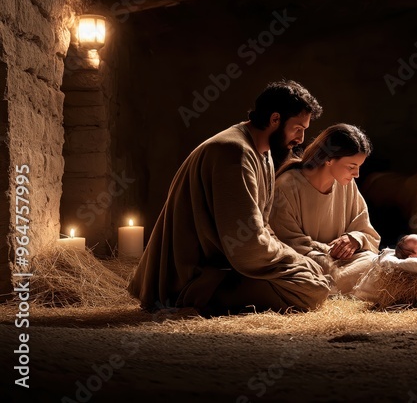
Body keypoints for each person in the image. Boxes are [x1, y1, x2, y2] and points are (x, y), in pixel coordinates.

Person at [127, 80, 333, 316]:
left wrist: (297, 261)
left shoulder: (262, 151)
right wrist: (298, 262)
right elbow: (247, 246)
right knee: (311, 289)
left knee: (313, 279)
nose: (301, 138)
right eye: (298, 128)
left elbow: (262, 228)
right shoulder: (234, 152)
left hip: (228, 266)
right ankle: (191, 301)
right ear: (275, 119)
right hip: (197, 276)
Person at [269, 123, 382, 295]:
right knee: (317, 275)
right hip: (309, 263)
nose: (357, 174)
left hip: (345, 262)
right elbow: (284, 244)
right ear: (328, 159)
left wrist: (354, 239)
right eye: (351, 167)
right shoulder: (286, 187)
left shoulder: (347, 184)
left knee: (376, 262)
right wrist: (327, 252)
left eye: (359, 167)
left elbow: (366, 231)